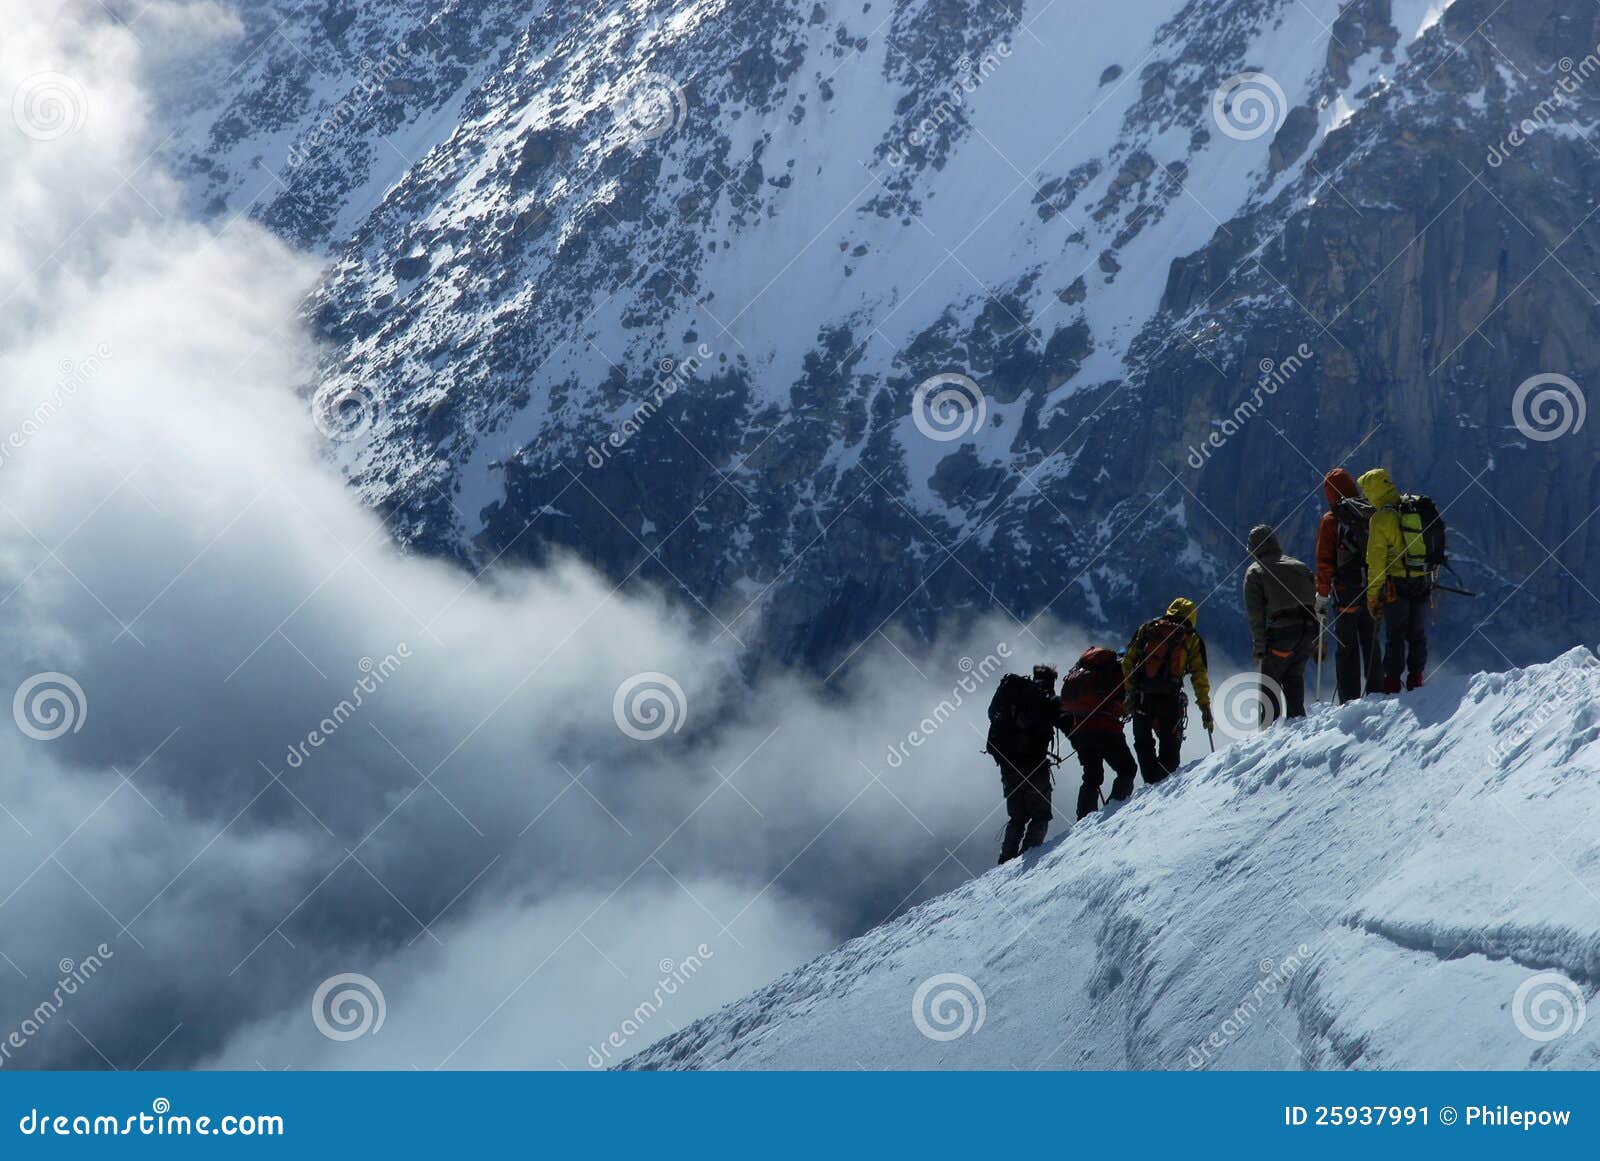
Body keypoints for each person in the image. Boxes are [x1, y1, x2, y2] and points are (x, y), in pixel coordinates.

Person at [1122, 598, 1212, 783]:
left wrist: (1130, 691)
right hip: (1170, 700)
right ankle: (1164, 789)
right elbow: (1199, 675)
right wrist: (1205, 708)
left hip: (1141, 698)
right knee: (1169, 746)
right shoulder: (1191, 638)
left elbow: (1127, 662)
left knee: (1143, 744)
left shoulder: (1147, 629)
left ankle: (1151, 784)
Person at [1314, 468, 1383, 702]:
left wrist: (1321, 597)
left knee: (1347, 648)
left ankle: (1349, 700)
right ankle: (1378, 692)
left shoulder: (1332, 520)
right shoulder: (1370, 512)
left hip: (1346, 593)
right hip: (1373, 588)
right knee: (1371, 641)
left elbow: (1325, 563)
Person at [1358, 468, 1430, 692]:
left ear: (1374, 491)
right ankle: (1416, 679)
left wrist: (1372, 596)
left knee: (1395, 634)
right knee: (1417, 633)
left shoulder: (1381, 519)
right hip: (1421, 579)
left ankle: (1391, 683)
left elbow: (1376, 563)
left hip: (1395, 586)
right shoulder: (1412, 507)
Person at [984, 664, 1060, 863]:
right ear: (1052, 681)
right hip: (1034, 766)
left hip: (1007, 765)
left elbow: (991, 714)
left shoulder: (1012, 693)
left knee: (1017, 818)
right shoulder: (1043, 697)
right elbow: (1064, 720)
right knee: (1041, 815)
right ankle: (1028, 856)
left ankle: (1006, 860)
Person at [1244, 524, 1318, 723]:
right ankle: (1297, 726)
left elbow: (1256, 615)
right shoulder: (1299, 565)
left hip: (1283, 633)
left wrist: (1259, 646)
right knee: (1294, 678)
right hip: (1309, 631)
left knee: (1269, 685)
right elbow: (1317, 602)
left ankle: (1268, 734)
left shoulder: (1255, 571)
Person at [1058, 646, 1138, 819]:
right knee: (1127, 769)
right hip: (1107, 729)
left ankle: (1083, 820)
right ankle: (1114, 811)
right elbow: (1126, 703)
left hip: (1082, 730)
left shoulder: (1087, 673)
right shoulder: (1118, 673)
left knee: (1091, 777)